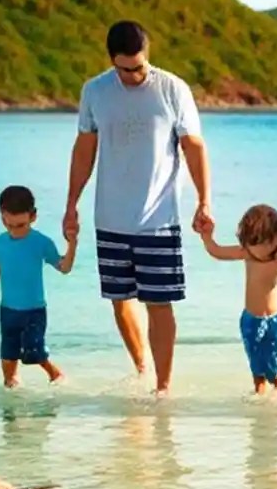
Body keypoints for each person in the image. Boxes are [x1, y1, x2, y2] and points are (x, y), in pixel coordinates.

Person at [64, 20, 213, 396]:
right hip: (110, 218)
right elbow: (84, 150)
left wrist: (204, 200)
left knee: (159, 303)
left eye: (139, 67)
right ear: (112, 61)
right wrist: (71, 204)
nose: (133, 75)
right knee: (120, 299)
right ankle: (142, 368)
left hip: (159, 218)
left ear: (148, 56)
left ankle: (162, 388)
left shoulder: (172, 89)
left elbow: (194, 147)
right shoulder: (95, 91)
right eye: (124, 68)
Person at [0, 185, 76, 387]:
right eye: (8, 224)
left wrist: (72, 244)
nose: (14, 230)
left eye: (20, 225)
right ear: (2, 216)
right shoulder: (0, 242)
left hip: (34, 311)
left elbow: (64, 267)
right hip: (8, 310)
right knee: (8, 354)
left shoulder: (41, 242)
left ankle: (56, 376)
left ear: (33, 216)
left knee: (34, 351)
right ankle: (10, 390)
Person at [198, 204, 277, 395]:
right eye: (253, 242)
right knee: (257, 370)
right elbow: (216, 251)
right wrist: (207, 237)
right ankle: (260, 403)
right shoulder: (247, 253)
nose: (260, 248)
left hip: (275, 321)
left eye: (266, 241)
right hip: (251, 321)